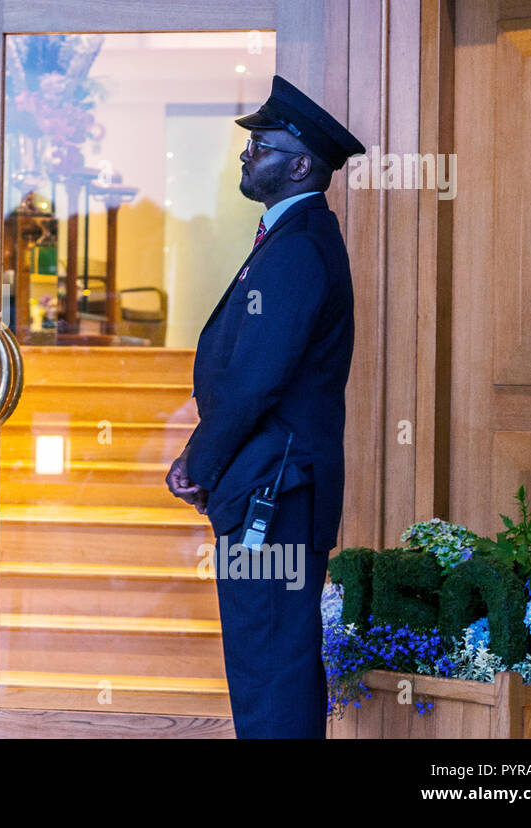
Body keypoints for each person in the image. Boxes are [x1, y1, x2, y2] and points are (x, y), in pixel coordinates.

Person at [165, 74, 364, 738]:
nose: (247, 156)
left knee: (271, 667)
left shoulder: (299, 248)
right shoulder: (287, 240)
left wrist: (200, 461)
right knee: (264, 664)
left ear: (302, 164)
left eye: (263, 146)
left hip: (275, 494)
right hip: (267, 490)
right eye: (250, 146)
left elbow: (257, 379)